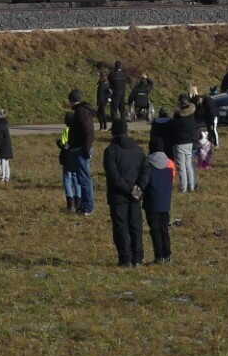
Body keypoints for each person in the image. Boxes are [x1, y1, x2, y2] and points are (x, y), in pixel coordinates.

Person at [103, 120, 145, 268]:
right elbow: (145, 171)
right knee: (136, 226)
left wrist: (128, 189)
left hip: (118, 196)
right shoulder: (138, 150)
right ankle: (138, 258)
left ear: (114, 133)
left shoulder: (110, 151)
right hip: (136, 195)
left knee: (121, 227)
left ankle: (125, 259)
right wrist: (138, 188)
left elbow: (113, 176)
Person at [63, 89, 96, 214]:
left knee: (84, 178)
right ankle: (84, 204)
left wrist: (86, 149)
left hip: (82, 149)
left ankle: (88, 207)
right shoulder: (83, 111)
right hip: (81, 148)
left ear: (71, 101)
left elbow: (88, 132)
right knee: (82, 178)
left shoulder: (80, 112)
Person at [143, 150, 174, 263]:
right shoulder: (169, 170)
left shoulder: (150, 170)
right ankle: (167, 254)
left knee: (155, 231)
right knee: (164, 230)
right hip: (165, 204)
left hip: (152, 204)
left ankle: (159, 255)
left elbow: (145, 184)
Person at [166, 102, 199, 190]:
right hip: (189, 143)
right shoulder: (191, 120)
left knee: (181, 167)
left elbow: (172, 131)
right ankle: (191, 186)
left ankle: (183, 187)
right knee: (189, 165)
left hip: (180, 144)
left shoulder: (178, 121)